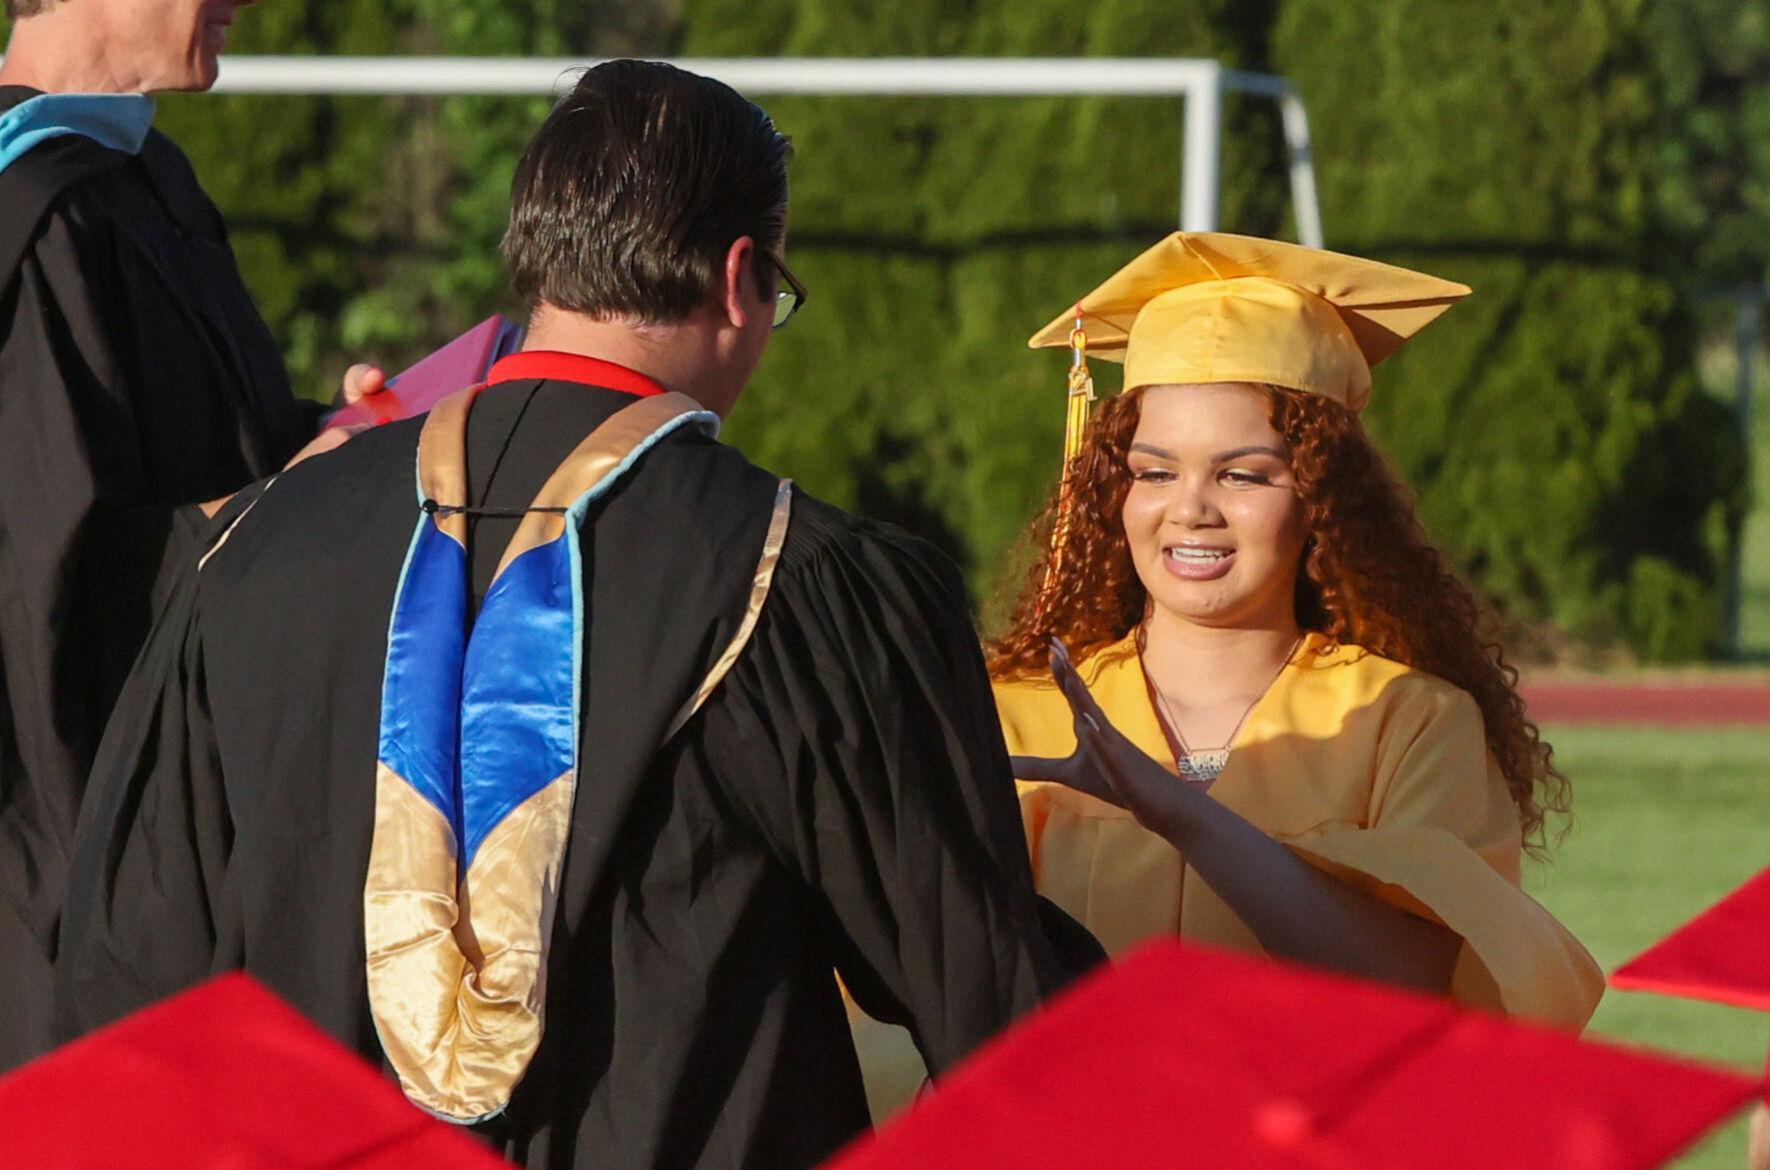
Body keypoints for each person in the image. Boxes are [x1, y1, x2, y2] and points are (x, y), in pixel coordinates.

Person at [56, 60, 1097, 1169]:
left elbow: (133, 973)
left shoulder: (262, 540)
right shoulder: (799, 577)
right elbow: (979, 987)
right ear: (737, 278)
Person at [850, 232, 1605, 1116]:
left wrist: (1186, 817)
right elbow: (898, 1000)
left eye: (1244, 475)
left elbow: (1425, 998)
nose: (1190, 509)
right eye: (1154, 471)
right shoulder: (1009, 718)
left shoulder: (1407, 722)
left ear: (1320, 497)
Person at [0, 0, 384, 1069]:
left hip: (200, 829)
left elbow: (212, 450)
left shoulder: (145, 181)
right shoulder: (28, 214)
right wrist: (277, 510)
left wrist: (342, 438)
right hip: (80, 875)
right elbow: (46, 581)